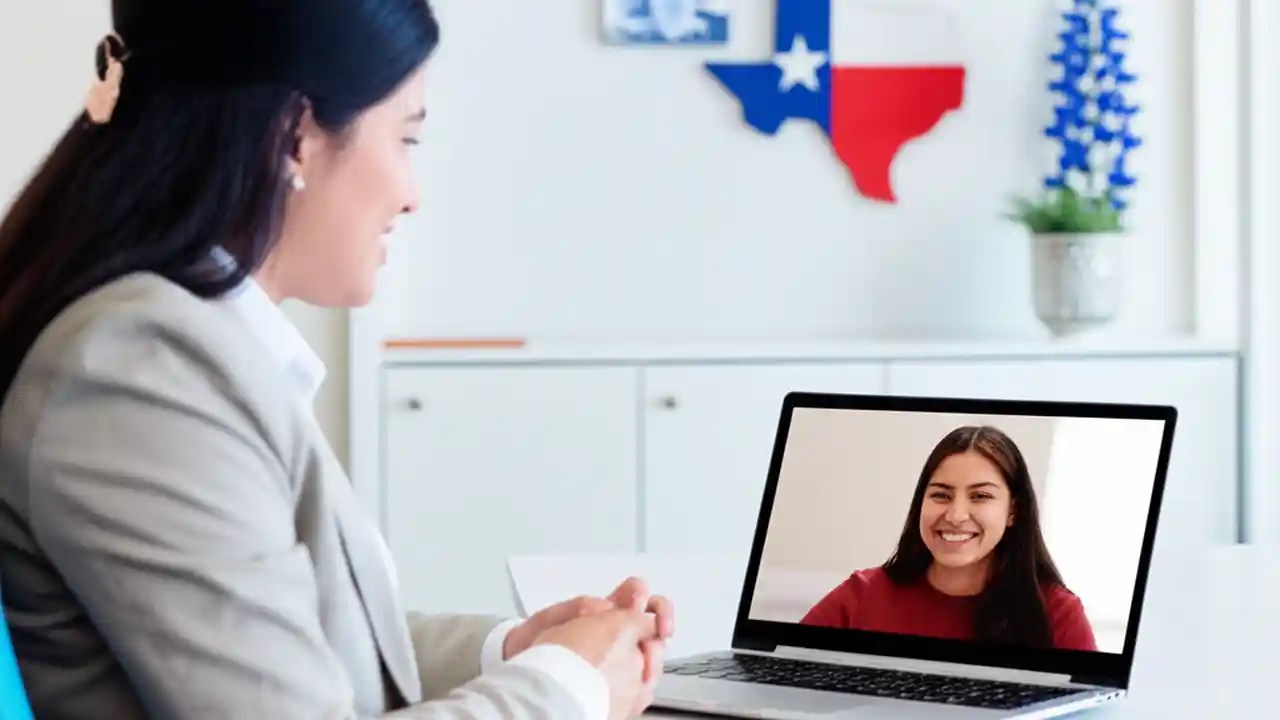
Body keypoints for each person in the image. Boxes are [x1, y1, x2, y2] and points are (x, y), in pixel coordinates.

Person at [0, 2, 673, 718]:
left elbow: (299, 637)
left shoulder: (180, 346)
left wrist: (518, 651)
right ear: (294, 138)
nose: (412, 196)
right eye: (406, 139)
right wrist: (569, 688)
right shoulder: (140, 376)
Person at [800, 425, 1096, 651]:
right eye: (941, 495)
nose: (955, 515)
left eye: (980, 496)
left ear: (1012, 511)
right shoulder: (860, 597)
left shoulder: (1058, 613)